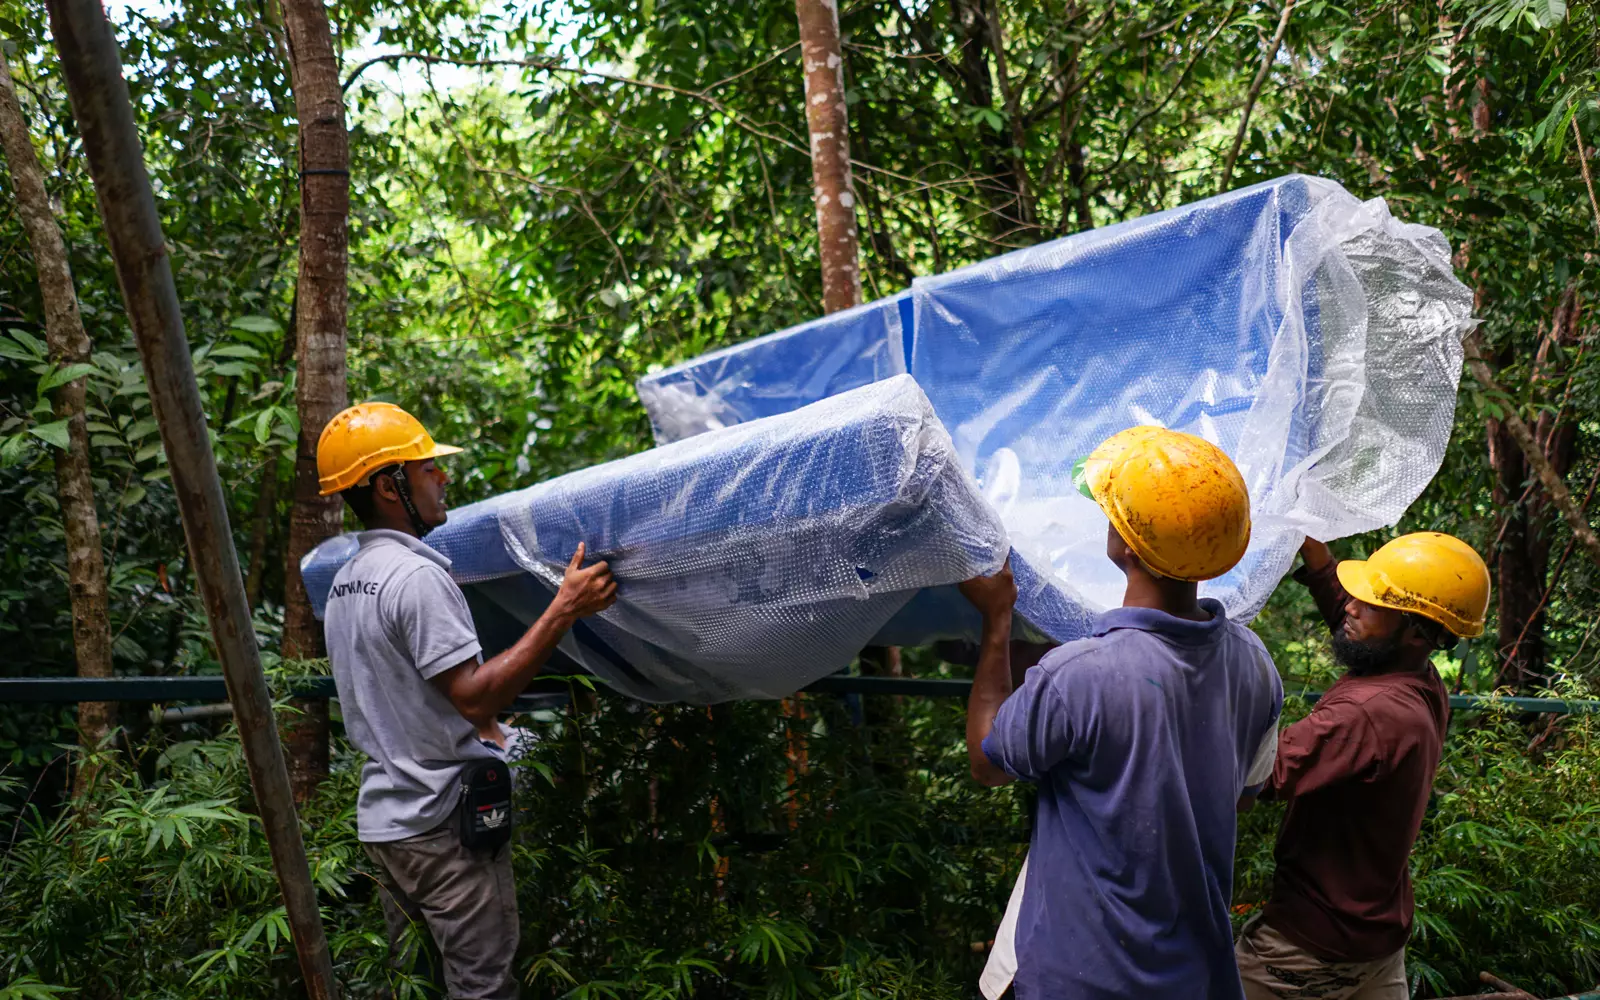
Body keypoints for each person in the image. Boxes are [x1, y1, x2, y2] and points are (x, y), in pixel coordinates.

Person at [962, 426, 1284, 1000]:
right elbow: (1243, 795)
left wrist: (997, 620)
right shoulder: (1255, 664)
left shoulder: (1076, 675)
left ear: (1128, 544)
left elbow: (989, 761)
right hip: (1196, 980)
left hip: (1078, 977)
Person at [316, 401, 617, 1000]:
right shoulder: (416, 578)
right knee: (482, 989)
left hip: (388, 822)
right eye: (427, 468)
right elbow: (474, 700)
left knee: (416, 987)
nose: (442, 477)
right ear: (387, 485)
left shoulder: (347, 582)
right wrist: (564, 607)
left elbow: (406, 695)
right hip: (442, 827)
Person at [1234, 532, 1489, 1000]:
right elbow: (1365, 632)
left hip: (1306, 948)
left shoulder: (1368, 714)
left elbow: (1256, 776)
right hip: (1377, 940)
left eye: (1370, 603)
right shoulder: (1419, 678)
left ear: (1416, 629)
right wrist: (1317, 557)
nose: (1350, 607)